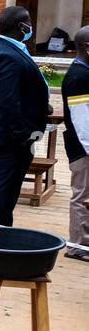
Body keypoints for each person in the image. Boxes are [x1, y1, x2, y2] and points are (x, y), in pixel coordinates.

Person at [0, 6, 51, 227]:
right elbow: (8, 102)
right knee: (3, 187)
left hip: (5, 134)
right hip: (10, 136)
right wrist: (24, 136)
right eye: (28, 22)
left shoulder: (4, 47)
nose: (31, 26)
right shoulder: (6, 55)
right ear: (21, 27)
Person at [63, 26, 89, 261]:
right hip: (83, 148)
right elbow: (82, 121)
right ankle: (78, 245)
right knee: (82, 195)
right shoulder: (78, 77)